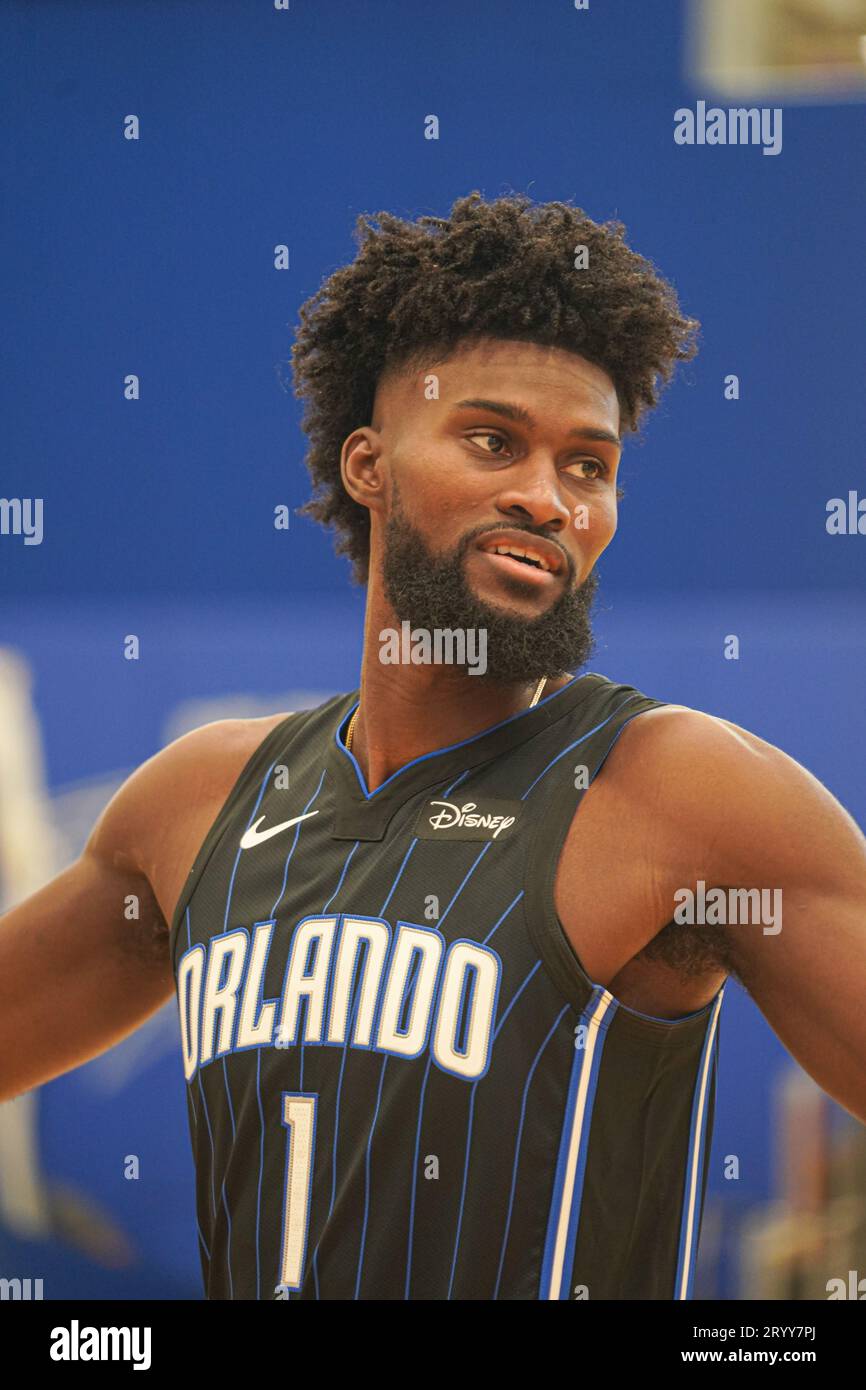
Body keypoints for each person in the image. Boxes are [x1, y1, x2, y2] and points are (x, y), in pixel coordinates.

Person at [1, 193, 864, 1301]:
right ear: (368, 465)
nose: (547, 499)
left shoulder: (686, 798)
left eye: (587, 465)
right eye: (493, 441)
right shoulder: (195, 802)